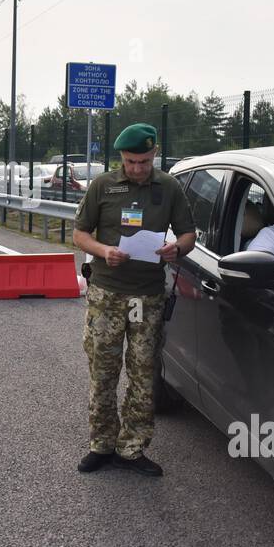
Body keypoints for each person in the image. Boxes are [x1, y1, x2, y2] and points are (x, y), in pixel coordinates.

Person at [72, 123, 197, 477]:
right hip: (107, 294)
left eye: (143, 161)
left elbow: (189, 233)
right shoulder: (103, 187)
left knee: (143, 373)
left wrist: (178, 248)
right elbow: (80, 234)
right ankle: (101, 444)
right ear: (121, 158)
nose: (137, 168)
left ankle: (132, 448)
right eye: (130, 161)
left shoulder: (169, 188)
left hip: (147, 296)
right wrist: (104, 250)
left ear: (154, 154)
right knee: (103, 371)